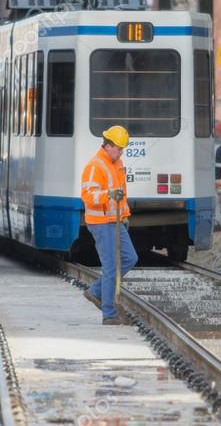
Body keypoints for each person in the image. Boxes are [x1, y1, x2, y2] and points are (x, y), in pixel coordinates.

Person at [81, 125, 138, 325]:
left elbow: (122, 193)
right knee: (110, 267)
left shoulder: (117, 164)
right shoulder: (95, 166)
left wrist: (125, 214)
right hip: (100, 222)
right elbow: (87, 195)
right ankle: (109, 314)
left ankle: (96, 291)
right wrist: (108, 195)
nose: (121, 152)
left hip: (115, 221)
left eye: (122, 149)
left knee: (130, 258)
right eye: (119, 148)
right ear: (108, 145)